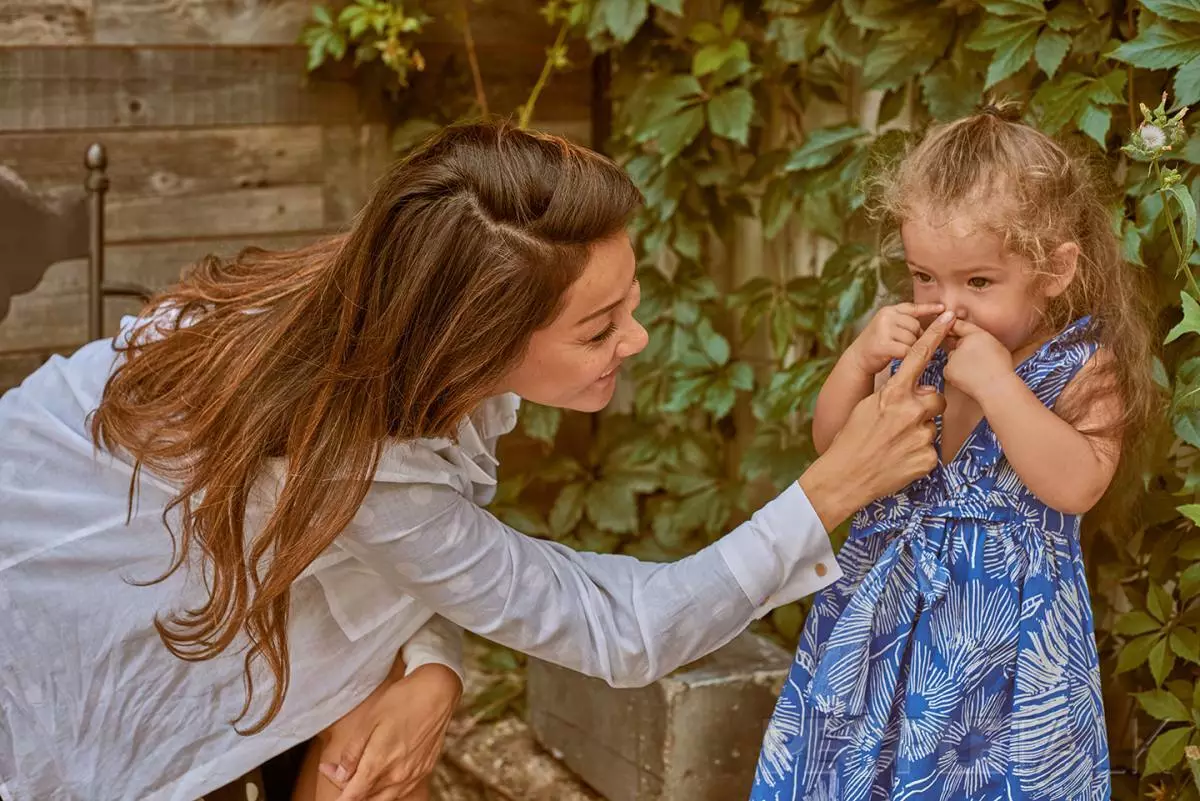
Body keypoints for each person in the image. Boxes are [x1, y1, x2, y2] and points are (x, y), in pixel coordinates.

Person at [0, 120, 951, 801]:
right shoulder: (360, 456)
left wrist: (428, 669)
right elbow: (622, 627)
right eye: (599, 327)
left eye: (627, 301)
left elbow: (412, 555)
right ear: (475, 340)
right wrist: (834, 487)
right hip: (53, 622)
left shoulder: (394, 309)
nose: (642, 338)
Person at [750, 103, 1158, 800]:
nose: (946, 306)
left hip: (1001, 645)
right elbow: (837, 451)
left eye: (978, 282)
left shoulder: (1082, 367)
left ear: (1055, 270)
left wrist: (1001, 385)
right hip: (880, 622)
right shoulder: (918, 353)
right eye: (923, 277)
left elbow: (1078, 484)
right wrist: (855, 364)